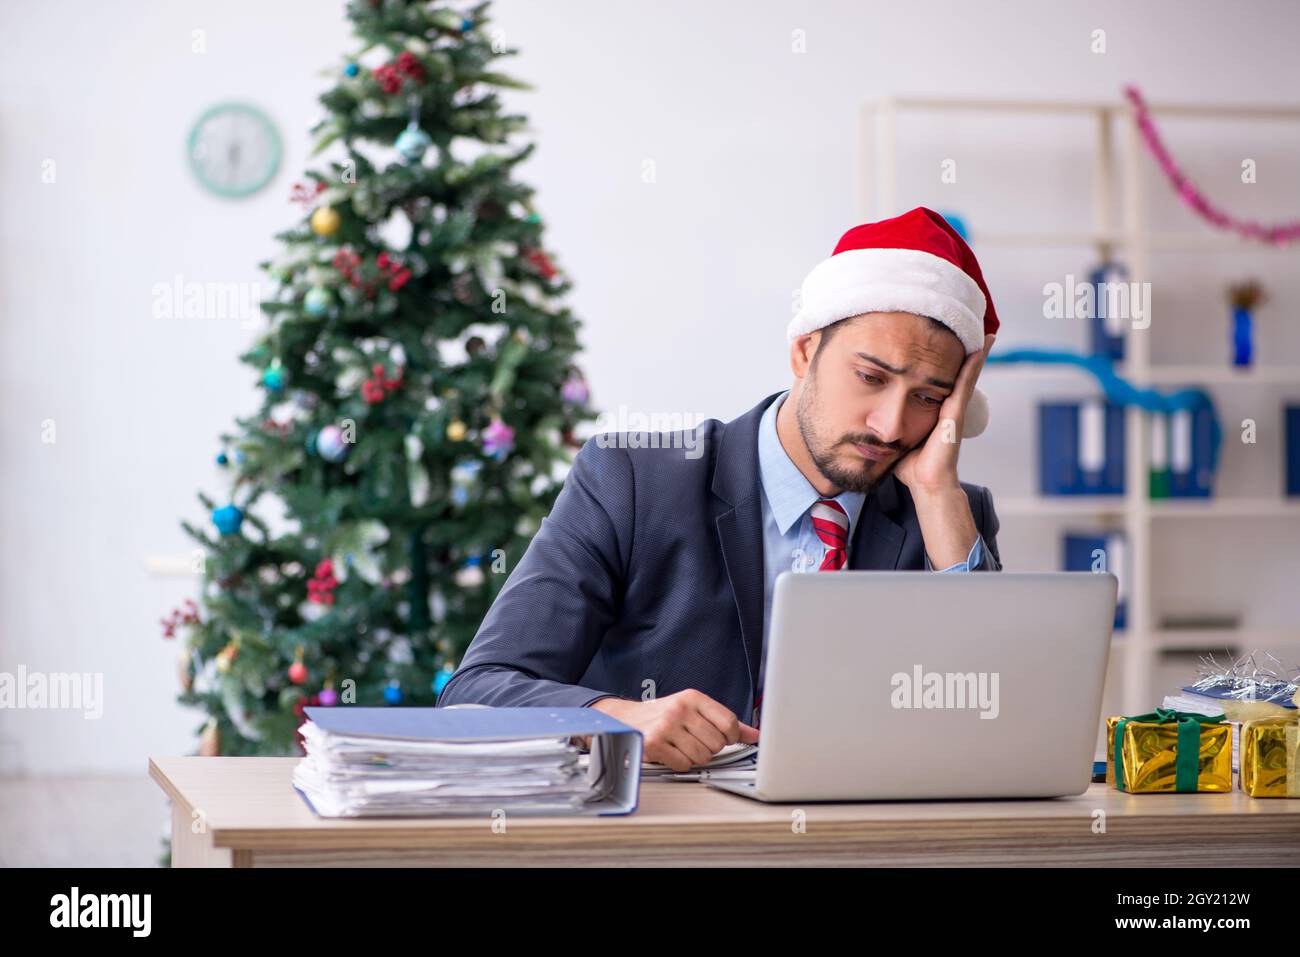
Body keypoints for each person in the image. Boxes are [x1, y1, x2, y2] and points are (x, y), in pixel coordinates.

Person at [437, 207, 1003, 771]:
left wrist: (937, 495)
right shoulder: (632, 480)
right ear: (804, 352)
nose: (890, 426)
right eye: (871, 378)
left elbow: (996, 718)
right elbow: (477, 692)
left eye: (929, 397)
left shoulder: (947, 513)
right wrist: (613, 718)